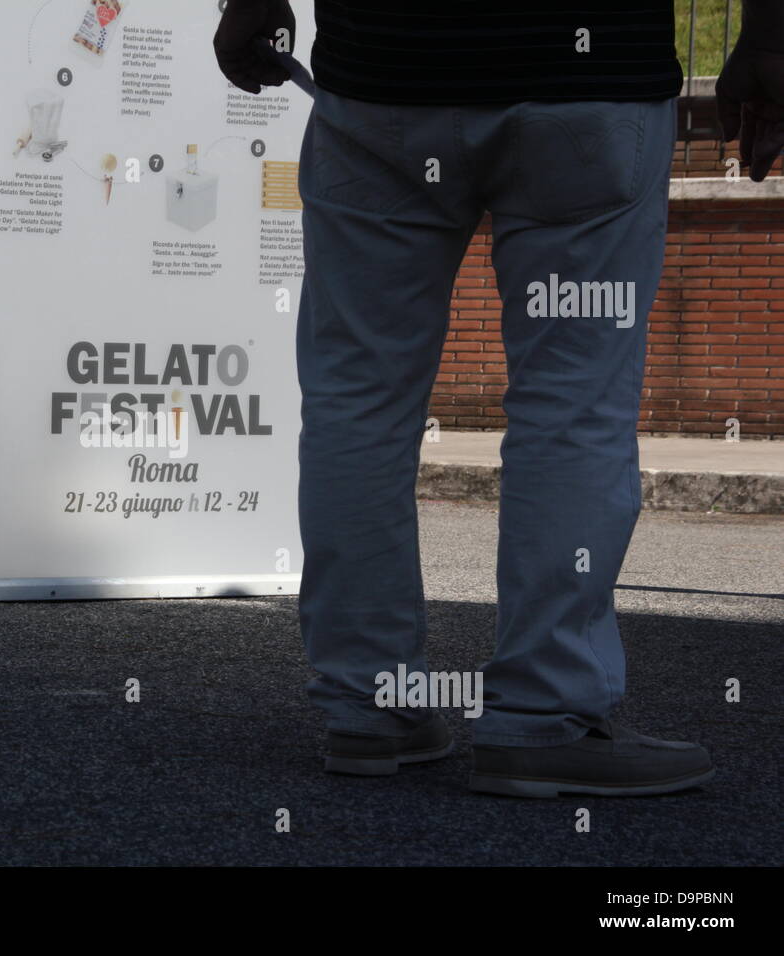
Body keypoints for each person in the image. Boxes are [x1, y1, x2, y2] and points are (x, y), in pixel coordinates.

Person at [215, 0, 784, 797]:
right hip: (589, 78)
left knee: (358, 402)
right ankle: (544, 714)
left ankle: (371, 704)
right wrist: (767, 34)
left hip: (382, 73)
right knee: (573, 402)